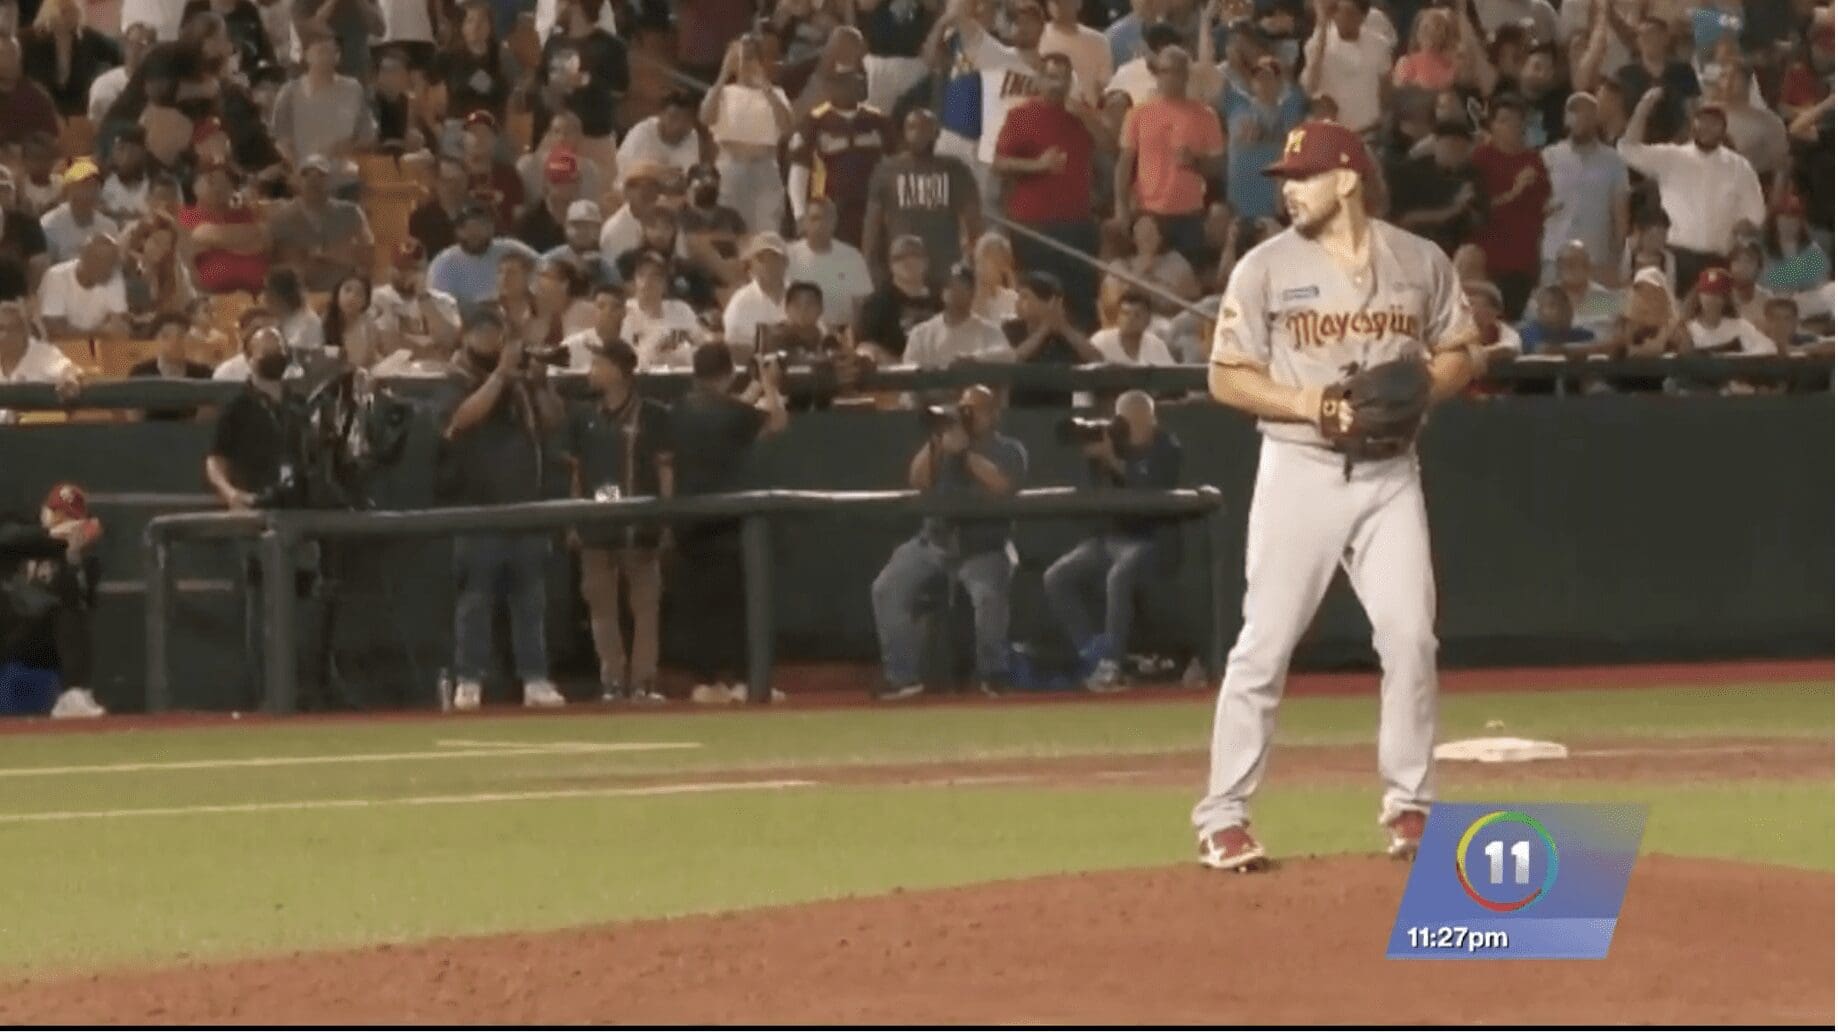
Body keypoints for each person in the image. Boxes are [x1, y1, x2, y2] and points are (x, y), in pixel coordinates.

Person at [1194, 120, 1482, 872]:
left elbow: (1459, 349)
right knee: (1264, 645)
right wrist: (1311, 403)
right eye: (1285, 178)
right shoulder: (1263, 267)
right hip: (1301, 468)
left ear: (1347, 179)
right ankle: (1224, 815)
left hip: (1390, 473)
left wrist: (1423, 390)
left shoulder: (1419, 261)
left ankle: (1411, 807)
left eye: (1302, 176)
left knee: (1411, 638)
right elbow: (1226, 376)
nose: (1288, 189)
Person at [434, 308, 566, 711]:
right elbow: (461, 418)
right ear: (468, 335)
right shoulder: (455, 379)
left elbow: (553, 422)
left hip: (525, 508)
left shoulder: (521, 382)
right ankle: (469, 680)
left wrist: (541, 386)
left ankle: (536, 678)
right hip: (478, 509)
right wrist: (501, 375)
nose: (493, 339)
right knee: (475, 601)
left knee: (531, 601)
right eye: (485, 332)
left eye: (498, 332)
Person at [871, 384, 1026, 700]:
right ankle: (902, 677)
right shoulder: (943, 444)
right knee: (886, 588)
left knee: (988, 597)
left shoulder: (1008, 448)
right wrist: (936, 441)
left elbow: (1002, 486)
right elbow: (918, 481)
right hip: (935, 541)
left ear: (994, 414)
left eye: (976, 409)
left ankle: (992, 675)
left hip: (984, 546)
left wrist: (966, 452)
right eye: (964, 408)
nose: (968, 415)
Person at [669, 341, 788, 704]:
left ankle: (705, 682)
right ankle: (741, 681)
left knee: (701, 606)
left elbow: (733, 411)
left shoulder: (681, 408)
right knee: (737, 605)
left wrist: (752, 386)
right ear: (728, 373)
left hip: (689, 521)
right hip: (728, 523)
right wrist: (769, 383)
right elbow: (777, 422)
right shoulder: (730, 412)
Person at [1042, 389, 1180, 691]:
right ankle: (1095, 654)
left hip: (1150, 541)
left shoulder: (1166, 446)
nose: (1129, 429)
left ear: (1150, 420)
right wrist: (1098, 459)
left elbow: (1151, 490)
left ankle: (1113, 664)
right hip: (1109, 539)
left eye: (1135, 422)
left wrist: (1113, 460)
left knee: (1119, 576)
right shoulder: (1113, 442)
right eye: (1124, 422)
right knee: (1057, 576)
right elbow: (1095, 495)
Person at [567, 335, 673, 704]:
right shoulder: (584, 416)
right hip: (596, 524)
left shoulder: (654, 414)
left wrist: (666, 519)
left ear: (620, 371)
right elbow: (577, 473)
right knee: (602, 607)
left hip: (640, 524)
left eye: (599, 364)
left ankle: (643, 682)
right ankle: (612, 680)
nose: (592, 371)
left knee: (645, 607)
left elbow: (665, 470)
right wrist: (573, 519)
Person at [1618, 89, 1767, 295]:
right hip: (1674, 257)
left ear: (1723, 128)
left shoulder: (1739, 167)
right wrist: (1644, 107)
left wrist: (1746, 225)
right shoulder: (1671, 157)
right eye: (1702, 121)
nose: (1707, 127)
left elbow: (1756, 214)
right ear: (1693, 124)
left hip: (1719, 259)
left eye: (1714, 123)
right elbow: (1628, 150)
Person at [991, 50, 1100, 328]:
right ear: (1039, 79)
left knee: (1080, 300)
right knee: (1035, 295)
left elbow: (1111, 143)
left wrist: (1088, 117)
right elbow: (999, 162)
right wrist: (1038, 165)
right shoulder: (1021, 115)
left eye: (1063, 78)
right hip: (1034, 225)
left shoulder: (1081, 114)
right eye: (1051, 77)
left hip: (1077, 222)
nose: (1057, 85)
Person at [0, 483, 106, 718]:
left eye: (69, 518)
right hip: (11, 636)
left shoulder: (86, 561)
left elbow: (82, 602)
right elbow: (7, 537)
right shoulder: (23, 533)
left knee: (67, 612)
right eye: (57, 514)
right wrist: (51, 536)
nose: (62, 522)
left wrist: (73, 557)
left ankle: (74, 694)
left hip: (46, 649)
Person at [1116, 46, 1225, 268]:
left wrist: (1194, 162)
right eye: (1165, 71)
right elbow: (1124, 165)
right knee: (1148, 276)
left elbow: (1218, 167)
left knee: (1187, 278)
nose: (1170, 77)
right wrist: (1121, 207)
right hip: (1149, 214)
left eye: (1176, 71)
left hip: (1190, 215)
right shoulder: (1138, 114)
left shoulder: (1206, 116)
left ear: (1186, 75)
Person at [862, 108, 983, 285]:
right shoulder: (887, 170)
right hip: (901, 269)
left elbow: (974, 223)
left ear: (937, 133)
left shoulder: (956, 170)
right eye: (912, 128)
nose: (918, 134)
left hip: (945, 270)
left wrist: (974, 263)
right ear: (904, 132)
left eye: (925, 128)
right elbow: (872, 225)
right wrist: (869, 264)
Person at [786, 69, 893, 249]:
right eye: (845, 83)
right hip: (830, 207)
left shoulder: (878, 119)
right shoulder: (814, 121)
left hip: (872, 207)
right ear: (831, 88)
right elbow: (799, 170)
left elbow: (892, 165)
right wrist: (800, 215)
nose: (854, 87)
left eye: (859, 82)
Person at [700, 34, 795, 235]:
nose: (748, 61)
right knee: (730, 232)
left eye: (753, 56)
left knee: (766, 232)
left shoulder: (776, 93)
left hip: (764, 169)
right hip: (730, 169)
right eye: (744, 56)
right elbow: (705, 117)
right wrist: (724, 73)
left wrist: (765, 87)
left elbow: (787, 127)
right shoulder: (723, 92)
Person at [1469, 97, 1550, 318]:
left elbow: (1541, 204)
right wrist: (1513, 192)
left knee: (1518, 322)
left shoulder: (1534, 160)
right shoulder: (1480, 159)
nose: (1513, 126)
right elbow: (1477, 209)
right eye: (1505, 120)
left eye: (1517, 121)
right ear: (1492, 126)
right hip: (1490, 262)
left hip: (1525, 261)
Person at [268, 33, 377, 195]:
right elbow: (281, 138)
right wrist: (297, 168)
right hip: (306, 182)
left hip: (345, 180)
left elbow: (367, 134)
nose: (327, 58)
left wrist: (350, 147)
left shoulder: (353, 89)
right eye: (321, 52)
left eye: (332, 52)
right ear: (306, 56)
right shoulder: (290, 92)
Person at [1538, 91, 1629, 284]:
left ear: (1596, 118)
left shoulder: (1614, 160)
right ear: (1566, 118)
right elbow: (1534, 205)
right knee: (1555, 310)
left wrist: (1618, 259)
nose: (1580, 118)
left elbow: (1620, 212)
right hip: (1554, 257)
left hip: (1596, 259)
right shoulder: (1549, 156)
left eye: (1587, 113)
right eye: (1574, 112)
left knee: (1599, 310)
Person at [268, 156, 374, 293]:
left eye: (320, 175)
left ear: (331, 181)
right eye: (306, 174)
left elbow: (368, 255)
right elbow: (290, 268)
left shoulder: (351, 212)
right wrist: (339, 253)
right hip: (304, 298)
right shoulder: (281, 220)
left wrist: (316, 252)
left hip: (346, 294)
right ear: (296, 181)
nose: (313, 180)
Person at [1222, 54, 1307, 225]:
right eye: (1258, 77)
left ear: (1279, 83)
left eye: (1270, 77)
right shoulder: (1238, 105)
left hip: (1273, 210)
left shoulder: (1290, 113)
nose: (1263, 82)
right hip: (1238, 208)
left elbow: (1296, 151)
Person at [1005, 269, 1100, 407]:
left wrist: (1064, 328)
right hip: (1019, 409)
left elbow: (1096, 359)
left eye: (1025, 297)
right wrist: (1044, 329)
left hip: (1061, 409)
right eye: (1018, 296)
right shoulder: (1011, 329)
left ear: (1050, 302)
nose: (1018, 303)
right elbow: (1014, 358)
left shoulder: (1068, 332)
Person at [1386, 119, 1480, 256]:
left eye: (1459, 147)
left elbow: (1478, 220)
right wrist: (1451, 210)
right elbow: (1403, 220)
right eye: (1448, 144)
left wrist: (1468, 207)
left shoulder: (1471, 176)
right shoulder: (1412, 171)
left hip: (1456, 250)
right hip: (1415, 249)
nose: (1452, 150)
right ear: (1435, 143)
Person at [1301, 0, 1394, 137]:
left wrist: (1384, 118)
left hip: (1369, 131)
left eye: (1349, 13)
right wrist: (1321, 30)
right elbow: (1310, 87)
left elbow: (1386, 85)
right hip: (1332, 133)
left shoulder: (1379, 44)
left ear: (1362, 17)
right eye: (1338, 12)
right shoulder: (1316, 45)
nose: (1341, 17)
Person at [428, 203, 542, 312]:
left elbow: (544, 268)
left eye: (480, 227)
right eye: (468, 228)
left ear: (491, 228)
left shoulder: (509, 248)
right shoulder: (444, 263)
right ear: (458, 231)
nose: (474, 233)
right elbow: (439, 306)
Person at [903, 259, 1011, 370]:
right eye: (950, 286)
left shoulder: (988, 331)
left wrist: (973, 359)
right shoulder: (921, 334)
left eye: (962, 286)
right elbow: (908, 369)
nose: (955, 291)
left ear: (973, 293)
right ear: (943, 292)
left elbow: (1007, 356)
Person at [179, 162, 269, 294]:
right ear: (195, 186)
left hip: (260, 294)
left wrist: (218, 242)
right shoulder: (187, 216)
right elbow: (199, 236)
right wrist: (243, 242)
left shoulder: (247, 213)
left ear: (233, 188)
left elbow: (261, 237)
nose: (217, 186)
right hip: (215, 301)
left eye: (224, 180)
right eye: (210, 179)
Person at [23, 0, 124, 117]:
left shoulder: (87, 38)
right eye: (64, 12)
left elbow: (118, 54)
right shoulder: (29, 39)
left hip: (77, 113)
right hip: (38, 111)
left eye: (73, 11)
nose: (70, 16)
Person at [787, 197, 873, 331]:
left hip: (841, 333)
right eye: (815, 218)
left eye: (827, 219)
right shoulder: (789, 256)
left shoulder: (852, 257)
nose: (821, 224)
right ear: (804, 222)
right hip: (798, 332)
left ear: (835, 222)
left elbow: (861, 303)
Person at [370, 240, 460, 363]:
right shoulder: (375, 298)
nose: (407, 274)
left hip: (435, 376)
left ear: (426, 270)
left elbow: (450, 342)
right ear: (389, 268)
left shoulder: (445, 301)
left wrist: (423, 298)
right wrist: (429, 349)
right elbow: (387, 345)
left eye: (414, 269)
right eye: (401, 268)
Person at [856, 233, 943, 361]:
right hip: (895, 375)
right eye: (899, 257)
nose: (908, 261)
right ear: (890, 265)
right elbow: (866, 347)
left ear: (926, 261)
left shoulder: (942, 300)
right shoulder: (876, 304)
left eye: (914, 254)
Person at [0, 300, 85, 421]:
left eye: (1, 329)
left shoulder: (42, 353)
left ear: (21, 332)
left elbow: (70, 370)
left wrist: (69, 380)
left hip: (36, 433)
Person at [38, 230, 132, 337]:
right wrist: (101, 334)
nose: (106, 268)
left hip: (96, 348)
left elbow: (119, 329)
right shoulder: (56, 276)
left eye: (111, 263)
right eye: (99, 260)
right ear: (82, 256)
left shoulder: (114, 278)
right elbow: (56, 332)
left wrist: (110, 331)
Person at [625, 249, 704, 367]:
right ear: (634, 280)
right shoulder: (625, 312)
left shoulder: (681, 310)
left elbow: (703, 347)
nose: (647, 282)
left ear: (665, 283)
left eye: (655, 276)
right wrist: (656, 347)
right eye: (641, 275)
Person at [129, 310, 211, 418]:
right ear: (155, 339)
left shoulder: (203, 373)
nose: (174, 341)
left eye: (181, 335)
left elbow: (206, 417)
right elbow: (135, 418)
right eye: (165, 336)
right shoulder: (140, 373)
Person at [40, 159, 121, 265]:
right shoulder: (49, 225)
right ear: (69, 189)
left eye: (95, 185)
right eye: (84, 185)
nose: (91, 190)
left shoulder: (109, 227)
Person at [723, 232, 791, 352]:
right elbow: (731, 345)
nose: (768, 264)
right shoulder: (740, 301)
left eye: (774, 257)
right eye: (761, 258)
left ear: (785, 262)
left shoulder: (801, 296)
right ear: (751, 264)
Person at [617, 89, 706, 178]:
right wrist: (662, 171)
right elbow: (630, 172)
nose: (678, 125)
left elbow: (687, 176)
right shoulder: (643, 131)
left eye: (686, 119)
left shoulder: (692, 137)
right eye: (673, 117)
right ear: (661, 114)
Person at [0, 34, 60, 148]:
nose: (10, 60)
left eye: (13, 54)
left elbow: (51, 138)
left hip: (31, 160)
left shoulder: (36, 96)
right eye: (3, 55)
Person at [544, 199, 619, 290]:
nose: (582, 231)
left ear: (599, 229)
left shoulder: (609, 269)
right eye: (576, 225)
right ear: (565, 227)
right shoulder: (550, 262)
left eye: (589, 226)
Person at [0, 167, 49, 301]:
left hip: (16, 299)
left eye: (6, 189)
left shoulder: (28, 223)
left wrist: (30, 298)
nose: (1, 194)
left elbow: (39, 261)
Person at [1091, 289, 1175, 365]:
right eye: (1125, 313)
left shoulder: (1156, 345)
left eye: (1137, 315)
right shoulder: (1101, 341)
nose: (1130, 319)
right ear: (1118, 317)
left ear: (1148, 319)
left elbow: (1172, 377)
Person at [320, 274, 387, 367]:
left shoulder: (369, 324)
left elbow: (373, 358)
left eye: (359, 294)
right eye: (347, 290)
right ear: (338, 292)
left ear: (365, 301)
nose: (352, 297)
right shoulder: (325, 322)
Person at [1516, 283, 1600, 355]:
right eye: (1552, 305)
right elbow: (1544, 350)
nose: (1560, 310)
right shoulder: (1528, 332)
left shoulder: (1582, 334)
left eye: (1563, 306)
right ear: (1539, 311)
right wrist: (1582, 350)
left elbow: (1596, 346)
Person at [101, 125, 152, 221]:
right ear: (113, 152)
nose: (126, 157)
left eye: (132, 151)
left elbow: (187, 219)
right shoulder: (99, 184)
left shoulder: (160, 184)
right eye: (121, 149)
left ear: (143, 153)